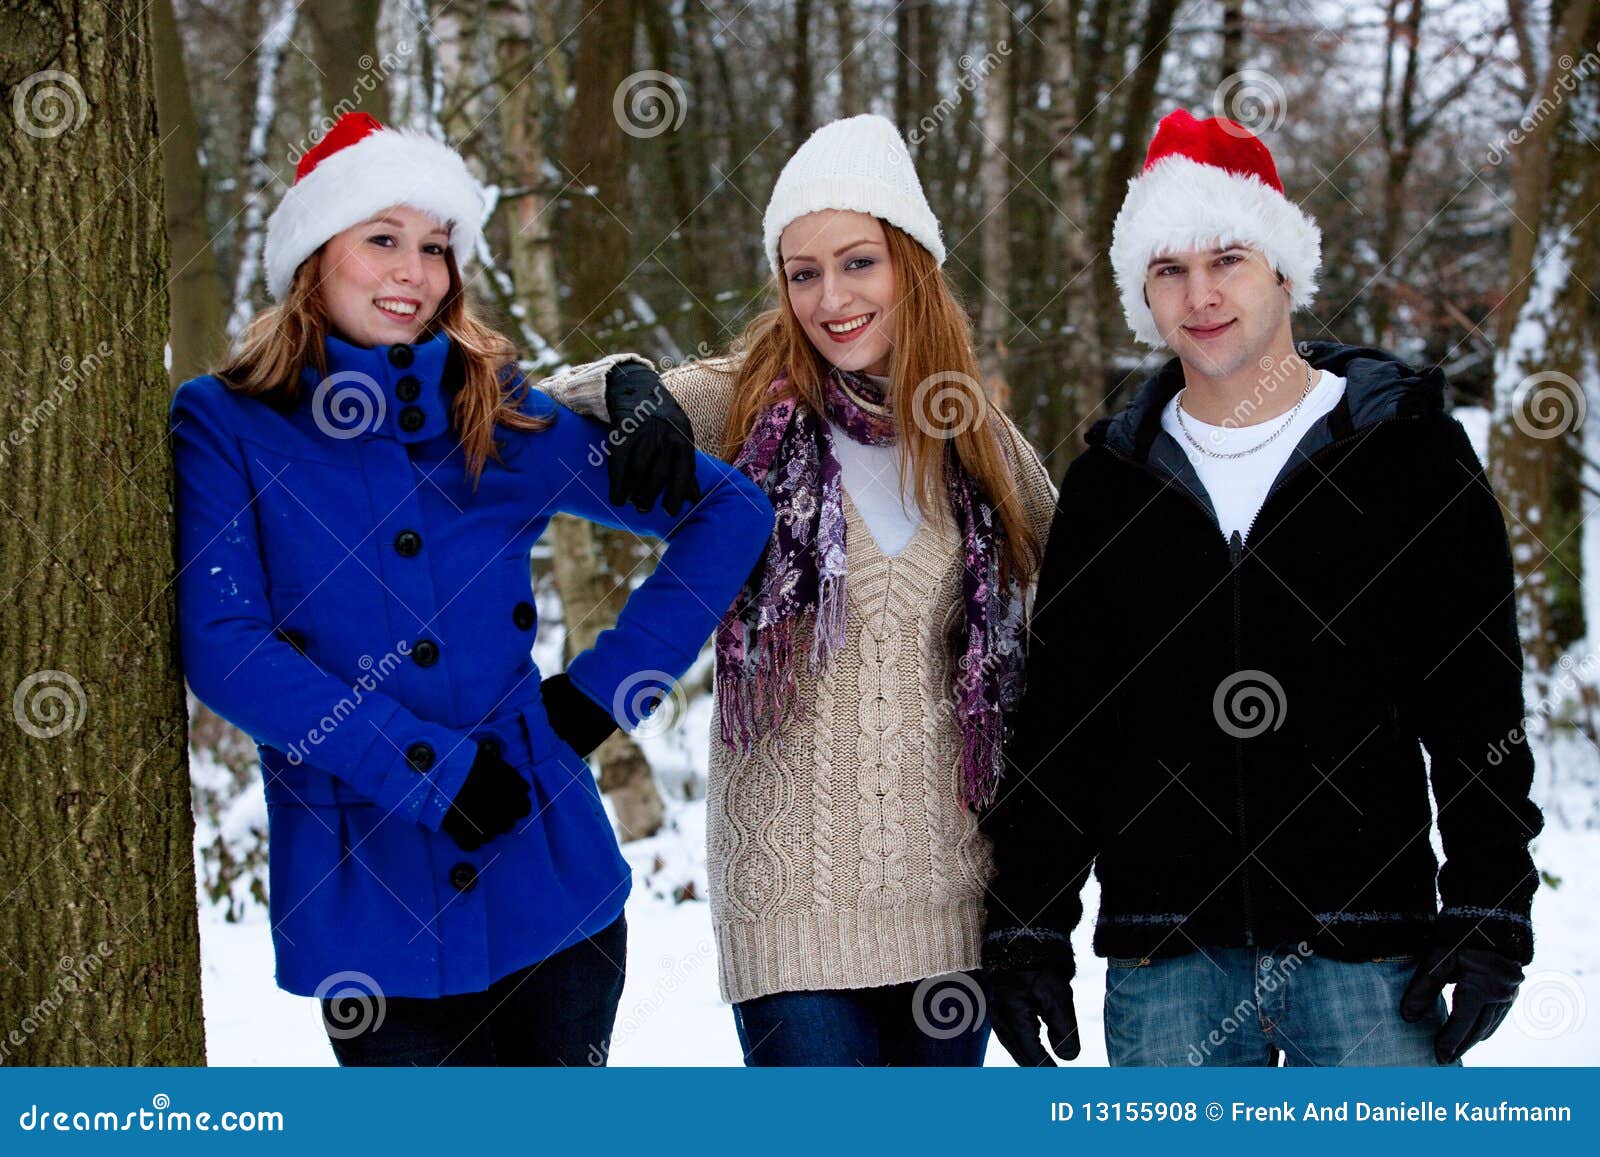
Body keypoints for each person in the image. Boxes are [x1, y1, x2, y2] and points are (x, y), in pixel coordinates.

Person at [170, 112, 774, 1066]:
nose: (413, 273)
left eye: (437, 248)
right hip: (372, 921)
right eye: (382, 241)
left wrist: (599, 696)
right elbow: (223, 641)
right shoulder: (227, 423)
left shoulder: (495, 412)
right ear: (312, 257)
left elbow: (730, 513)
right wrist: (428, 770)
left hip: (554, 895)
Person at [980, 109, 1542, 1068]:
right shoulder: (1111, 481)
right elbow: (1063, 725)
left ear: (1283, 267)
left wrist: (1491, 904)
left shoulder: (1404, 453)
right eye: (1168, 270)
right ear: (1142, 294)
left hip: (1367, 953)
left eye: (1227, 259)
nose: (1200, 295)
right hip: (1169, 963)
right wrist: (1028, 923)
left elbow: (1475, 698)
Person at [545, 114, 1058, 1066]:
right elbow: (551, 404)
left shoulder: (974, 433)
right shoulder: (741, 404)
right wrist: (622, 384)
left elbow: (1094, 584)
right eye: (803, 271)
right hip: (789, 910)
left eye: (858, 262)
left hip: (952, 902)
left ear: (913, 263)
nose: (832, 297)